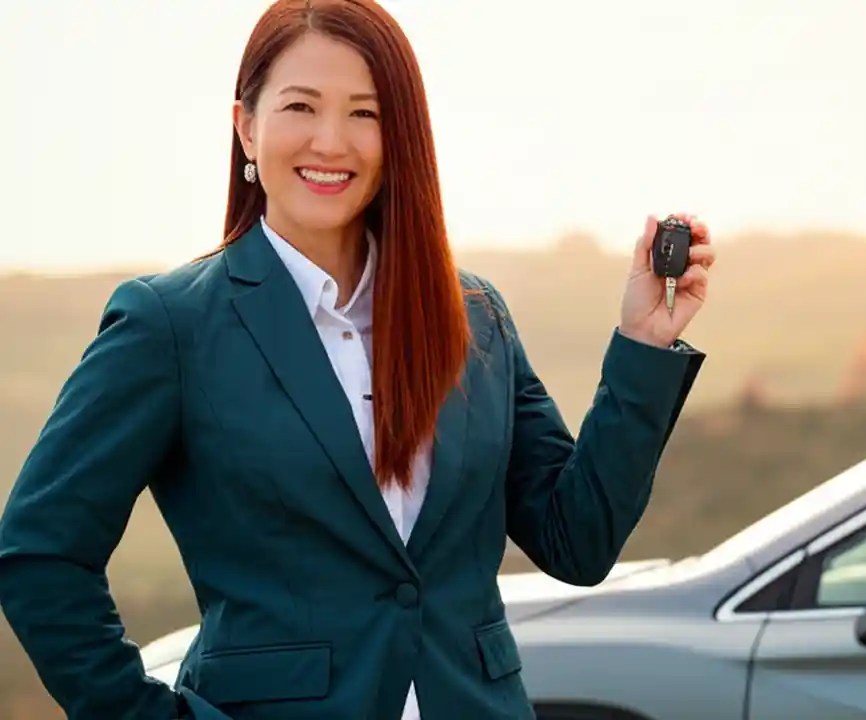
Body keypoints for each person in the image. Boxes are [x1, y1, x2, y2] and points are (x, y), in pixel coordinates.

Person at [0, 1, 713, 718]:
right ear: (247, 126)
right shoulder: (170, 326)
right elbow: (40, 554)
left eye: (364, 113)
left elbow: (576, 541)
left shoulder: (475, 319)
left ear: (399, 134)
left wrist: (644, 344)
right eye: (300, 107)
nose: (331, 141)